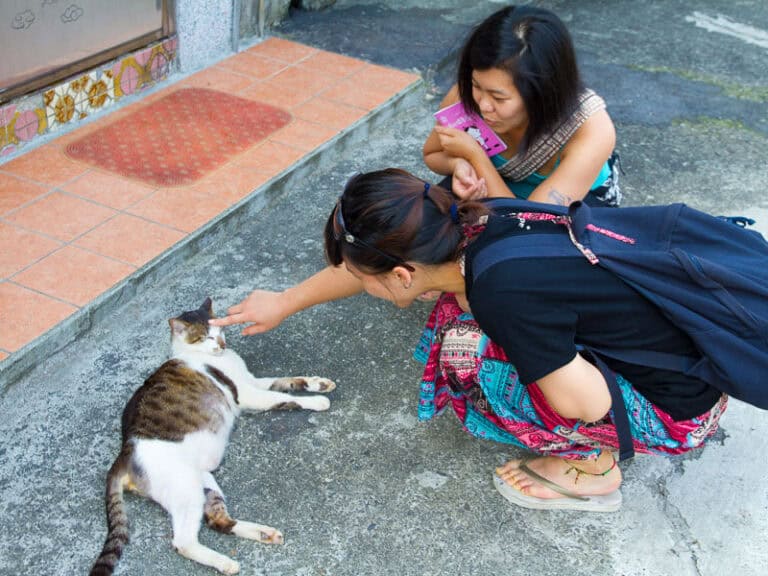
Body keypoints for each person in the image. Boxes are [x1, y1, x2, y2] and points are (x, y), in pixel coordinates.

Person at [211, 169, 726, 513]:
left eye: (363, 276)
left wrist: (523, 345)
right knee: (461, 318)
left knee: (466, 354)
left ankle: (591, 469)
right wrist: (285, 301)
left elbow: (586, 401)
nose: (358, 282)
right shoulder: (476, 219)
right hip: (700, 349)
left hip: (680, 409)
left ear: (402, 273)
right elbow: (372, 265)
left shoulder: (501, 294)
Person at [423, 5, 621, 207]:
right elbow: (432, 153)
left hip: (563, 207)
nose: (483, 105)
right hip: (492, 187)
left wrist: (475, 157)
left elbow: (532, 223)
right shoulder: (465, 95)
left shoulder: (591, 130)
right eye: (476, 85)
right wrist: (458, 164)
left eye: (498, 98)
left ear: (542, 92)